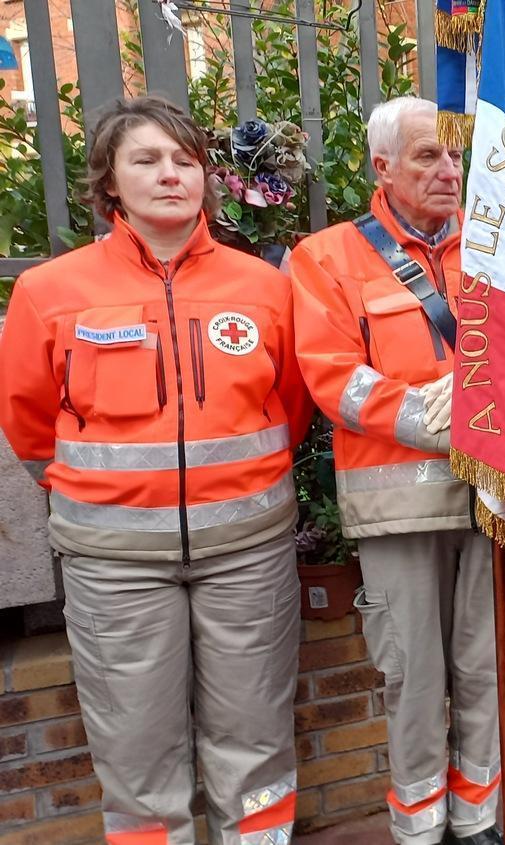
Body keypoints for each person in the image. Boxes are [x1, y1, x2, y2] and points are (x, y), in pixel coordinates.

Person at [0, 96, 312, 844]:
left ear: (205, 177)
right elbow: (29, 422)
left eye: (185, 160)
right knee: (136, 752)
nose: (170, 174)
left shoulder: (265, 287)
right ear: (109, 181)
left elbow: (290, 407)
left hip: (248, 554)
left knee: (258, 738)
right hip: (114, 567)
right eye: (146, 159)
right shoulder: (49, 293)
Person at [290, 96, 505, 845]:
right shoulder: (325, 258)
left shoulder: (503, 246)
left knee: (489, 669)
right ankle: (420, 827)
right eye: (427, 156)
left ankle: (478, 818)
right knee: (414, 677)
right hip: (400, 506)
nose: (449, 171)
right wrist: (446, 413)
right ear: (381, 167)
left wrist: (501, 399)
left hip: (503, 496)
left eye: (456, 155)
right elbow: (332, 378)